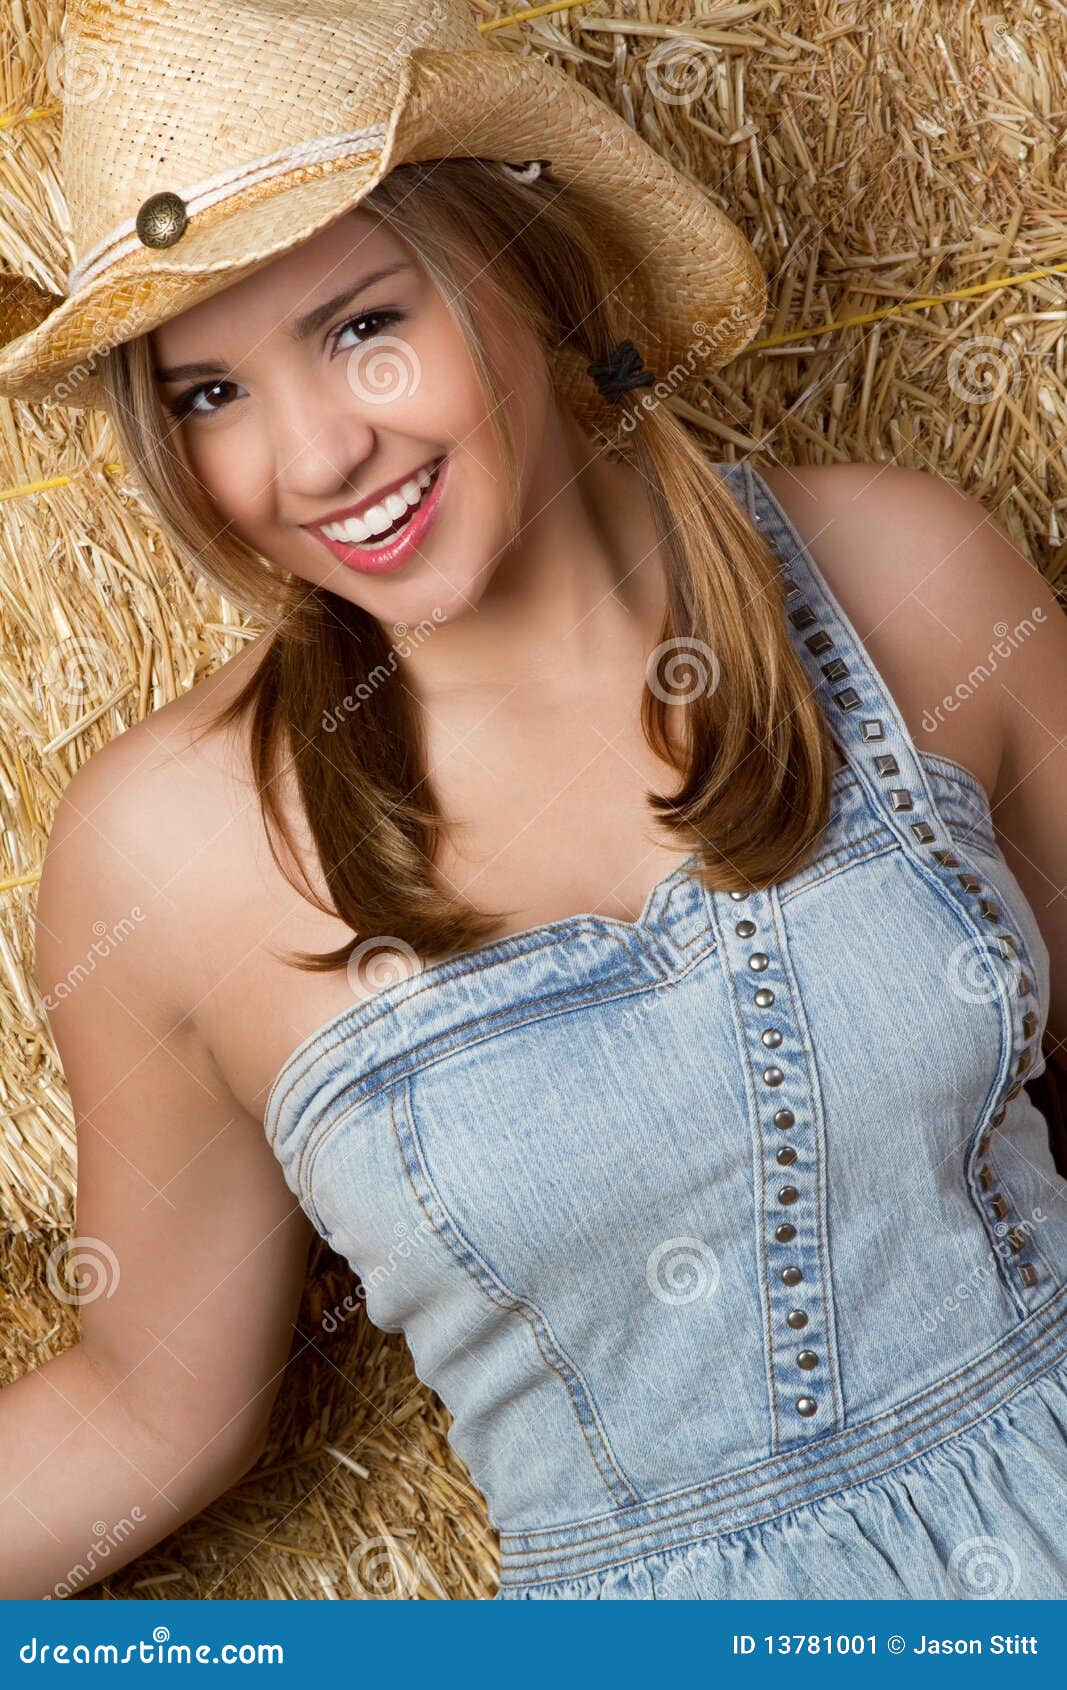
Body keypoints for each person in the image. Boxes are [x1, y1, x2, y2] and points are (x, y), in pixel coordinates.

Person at [0, 0, 1064, 1602]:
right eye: (208, 391)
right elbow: (148, 1406)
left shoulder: (910, 581)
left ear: (534, 263)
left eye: (364, 324)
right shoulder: (168, 852)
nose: (310, 456)